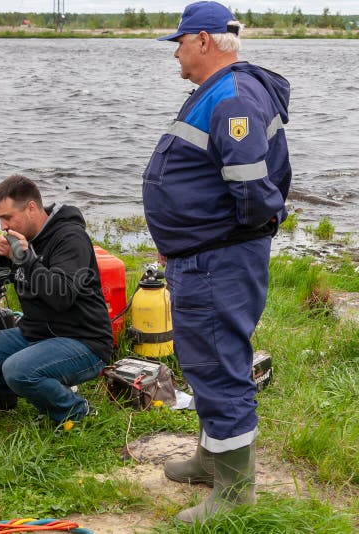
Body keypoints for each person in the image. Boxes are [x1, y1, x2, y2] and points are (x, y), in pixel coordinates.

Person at [142, 1, 291, 523]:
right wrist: (181, 235)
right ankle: (212, 458)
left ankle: (233, 496)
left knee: (219, 362)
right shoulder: (219, 92)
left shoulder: (232, 97)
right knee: (204, 359)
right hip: (203, 254)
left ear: (203, 41)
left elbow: (251, 193)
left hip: (218, 260)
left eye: (179, 42)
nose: (176, 53)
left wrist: (209, 238)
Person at [0, 175, 112, 428]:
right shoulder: (21, 238)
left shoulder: (70, 239)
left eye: (8, 218)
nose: (3, 226)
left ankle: (77, 410)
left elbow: (60, 296)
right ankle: (50, 392)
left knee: (17, 370)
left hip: (84, 341)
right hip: (36, 332)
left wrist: (25, 258)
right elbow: (1, 271)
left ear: (31, 208)